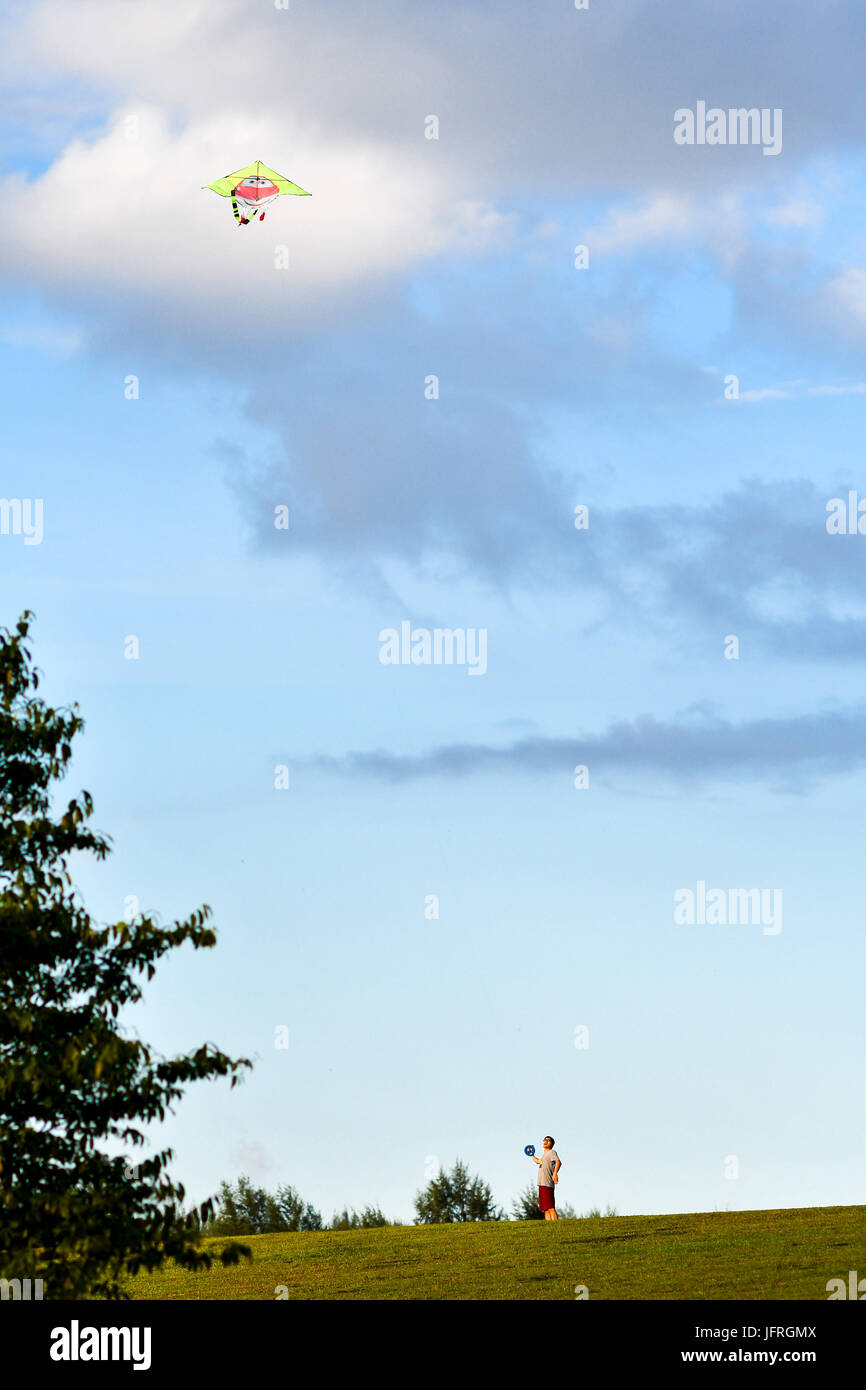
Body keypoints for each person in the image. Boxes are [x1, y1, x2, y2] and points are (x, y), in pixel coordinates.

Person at [528, 1135, 561, 1220]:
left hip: (547, 1183)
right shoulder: (544, 1155)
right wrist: (531, 1154)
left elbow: (559, 1162)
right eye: (544, 1140)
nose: (546, 1141)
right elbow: (537, 1161)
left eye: (548, 1140)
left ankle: (556, 1226)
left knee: (550, 1207)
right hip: (541, 1183)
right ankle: (549, 1227)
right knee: (545, 1208)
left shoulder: (552, 1152)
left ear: (552, 1144)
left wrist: (555, 1174)